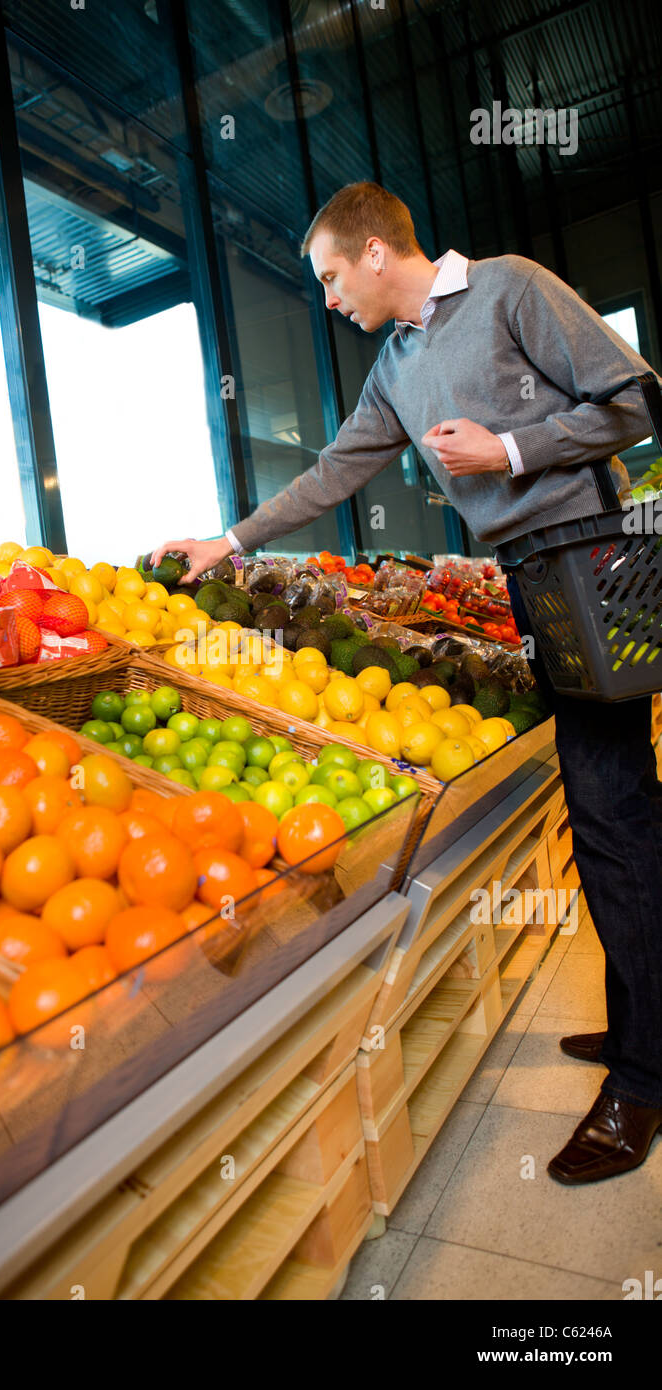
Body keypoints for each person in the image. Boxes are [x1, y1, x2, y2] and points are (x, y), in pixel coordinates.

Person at [152, 182, 662, 1186]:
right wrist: (230, 539)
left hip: (597, 562)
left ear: (376, 252)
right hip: (533, 580)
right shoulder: (394, 367)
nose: (330, 298)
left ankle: (640, 1081)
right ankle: (642, 1028)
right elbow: (335, 469)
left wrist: (505, 447)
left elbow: (636, 398)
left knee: (612, 817)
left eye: (333, 277)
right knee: (617, 812)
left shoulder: (509, 289)